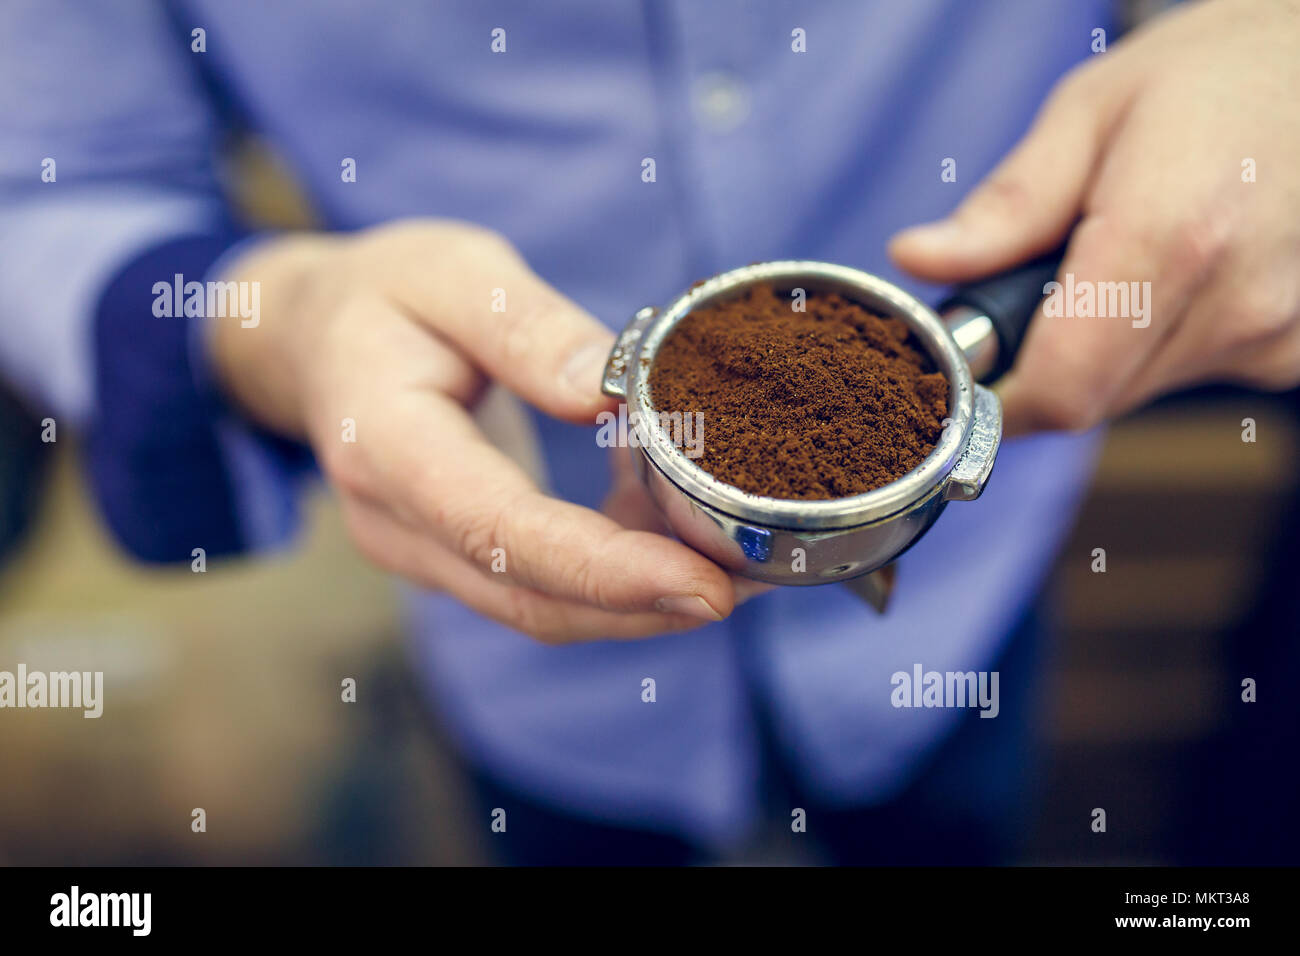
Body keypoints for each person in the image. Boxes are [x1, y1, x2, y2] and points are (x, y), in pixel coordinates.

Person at [2, 0, 1297, 864]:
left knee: (948, 815)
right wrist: (275, 326)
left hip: (961, 582)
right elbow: (56, 175)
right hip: (513, 611)